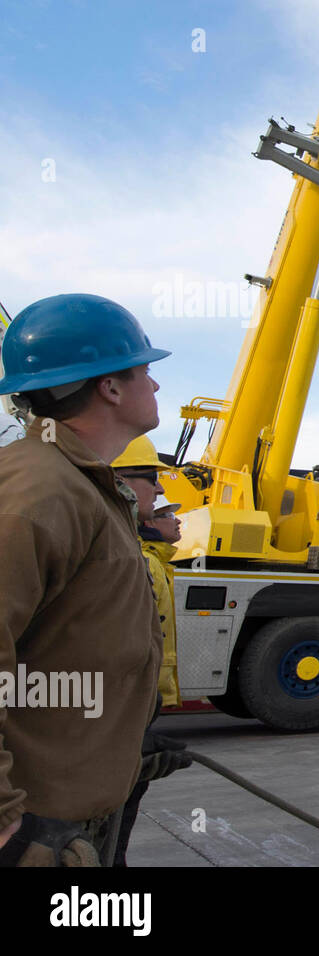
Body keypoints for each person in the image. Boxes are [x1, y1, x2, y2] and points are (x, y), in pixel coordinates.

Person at [0, 293, 169, 866]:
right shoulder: (39, 491)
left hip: (72, 820)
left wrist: (129, 742)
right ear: (110, 388)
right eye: (146, 369)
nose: (156, 385)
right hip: (34, 834)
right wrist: (6, 828)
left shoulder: (83, 487)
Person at [109, 439, 193, 866]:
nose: (161, 492)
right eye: (151, 478)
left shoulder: (147, 559)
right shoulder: (130, 558)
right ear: (118, 481)